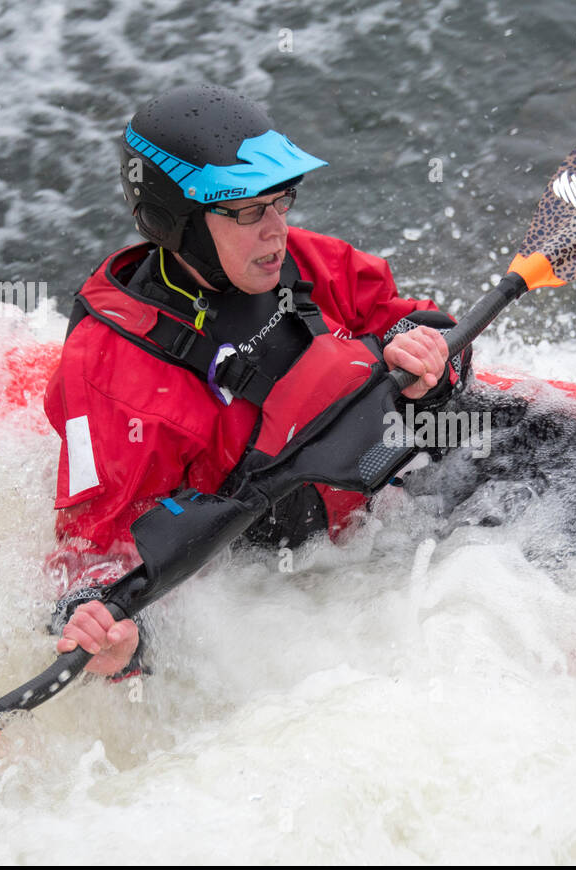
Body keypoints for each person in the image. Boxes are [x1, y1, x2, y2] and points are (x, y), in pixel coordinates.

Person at [43, 85, 468, 677]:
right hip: (289, 594)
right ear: (179, 219)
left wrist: (430, 362)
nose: (276, 230)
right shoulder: (115, 382)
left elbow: (407, 315)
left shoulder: (300, 263)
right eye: (246, 210)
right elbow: (93, 561)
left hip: (395, 503)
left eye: (282, 201)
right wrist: (116, 645)